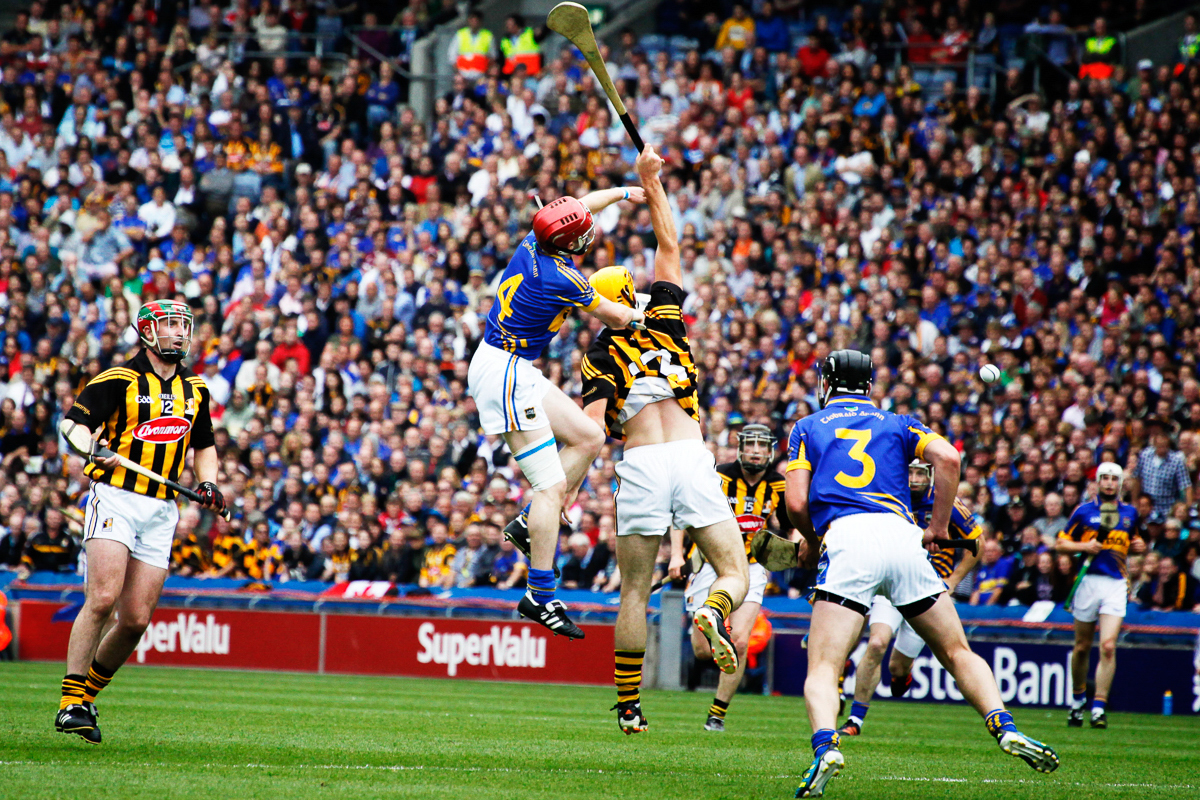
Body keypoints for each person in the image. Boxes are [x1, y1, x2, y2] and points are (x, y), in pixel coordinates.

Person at [786, 350, 1058, 797]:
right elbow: (948, 458)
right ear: (869, 386)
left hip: (849, 538)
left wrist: (814, 543)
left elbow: (797, 503)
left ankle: (826, 746)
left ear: (827, 384)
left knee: (824, 665)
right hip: (904, 538)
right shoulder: (898, 422)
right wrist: (937, 527)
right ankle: (1004, 724)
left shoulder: (807, 426)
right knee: (956, 651)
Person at [581, 145, 749, 734]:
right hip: (690, 455)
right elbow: (669, 245)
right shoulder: (667, 322)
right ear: (634, 294)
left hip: (642, 464)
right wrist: (650, 183)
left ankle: (629, 707)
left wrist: (564, 491)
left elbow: (592, 430)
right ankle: (713, 609)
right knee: (735, 573)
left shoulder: (597, 354)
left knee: (633, 591)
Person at [468, 181, 646, 638]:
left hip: (510, 364)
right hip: (505, 371)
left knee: (589, 436)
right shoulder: (563, 277)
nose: (590, 234)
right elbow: (616, 316)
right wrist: (650, 314)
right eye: (583, 234)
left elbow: (581, 206)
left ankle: (530, 521)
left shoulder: (536, 238)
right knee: (550, 488)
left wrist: (626, 192)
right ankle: (540, 596)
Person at [54, 300, 225, 743]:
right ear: (148, 331)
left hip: (162, 509)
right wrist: (92, 449)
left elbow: (204, 444)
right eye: (171, 325)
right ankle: (70, 703)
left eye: (184, 326)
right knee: (102, 597)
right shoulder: (118, 379)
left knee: (134, 619)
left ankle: (87, 697)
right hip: (116, 498)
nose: (180, 333)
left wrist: (208, 482)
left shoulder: (196, 389)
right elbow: (72, 427)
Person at [838, 459, 981, 736]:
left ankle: (903, 673)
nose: (914, 478)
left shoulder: (945, 500)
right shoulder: (889, 497)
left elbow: (978, 542)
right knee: (877, 642)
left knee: (897, 666)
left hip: (927, 590)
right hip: (893, 583)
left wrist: (953, 581)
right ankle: (856, 719)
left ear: (931, 476)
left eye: (920, 473)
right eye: (910, 472)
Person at [671, 423, 786, 732]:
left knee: (741, 642)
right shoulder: (717, 476)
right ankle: (715, 629)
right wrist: (677, 555)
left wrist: (800, 542)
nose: (756, 451)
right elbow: (680, 512)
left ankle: (717, 714)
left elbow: (791, 523)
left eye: (762, 446)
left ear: (770, 452)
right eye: (750, 445)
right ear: (740, 448)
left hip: (751, 566)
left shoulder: (778, 485)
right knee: (701, 650)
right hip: (710, 561)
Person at [1058, 462, 1144, 728]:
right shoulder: (1084, 511)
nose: (1109, 483)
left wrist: (1138, 545)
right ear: (1097, 482)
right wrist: (1085, 546)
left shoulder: (1130, 513)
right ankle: (1077, 701)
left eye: (1113, 479)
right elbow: (1061, 543)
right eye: (1104, 478)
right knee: (1082, 646)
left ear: (1120, 484)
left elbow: (1135, 540)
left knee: (1107, 646)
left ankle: (1098, 707)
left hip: (1115, 582)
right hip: (1087, 581)